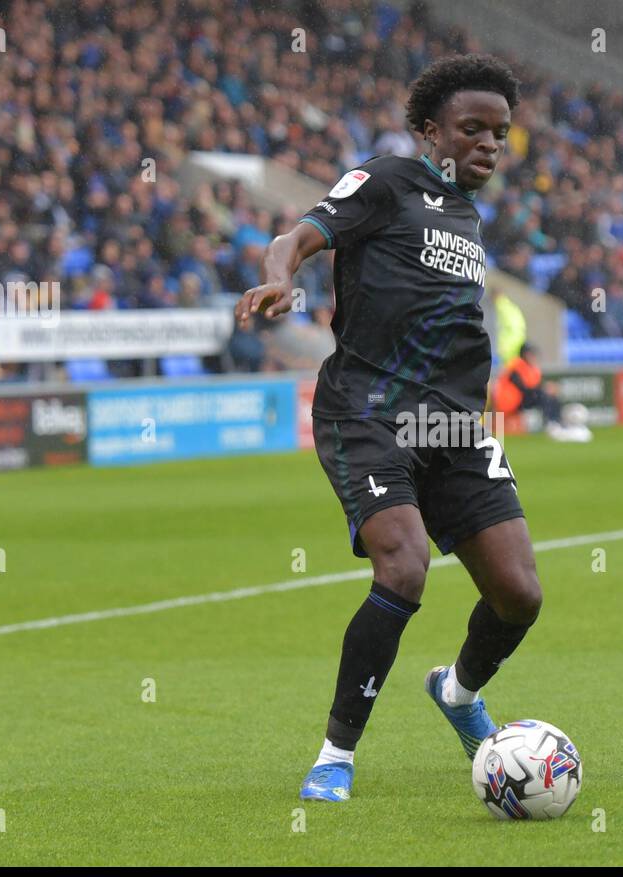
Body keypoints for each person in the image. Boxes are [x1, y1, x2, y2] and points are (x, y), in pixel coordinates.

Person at [236, 54, 542, 803]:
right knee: (403, 566)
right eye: (472, 129)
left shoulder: (466, 214)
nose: (489, 145)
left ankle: (460, 694)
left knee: (519, 595)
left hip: (455, 426)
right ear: (429, 128)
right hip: (369, 410)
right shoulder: (386, 181)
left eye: (499, 134)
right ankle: (335, 755)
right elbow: (298, 236)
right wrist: (283, 276)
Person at [493, 342, 591, 442]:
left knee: (550, 396)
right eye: (531, 353)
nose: (534, 356)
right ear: (524, 354)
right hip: (510, 402)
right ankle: (551, 425)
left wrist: (547, 388)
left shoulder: (531, 368)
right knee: (544, 396)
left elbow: (534, 386)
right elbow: (523, 387)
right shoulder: (516, 366)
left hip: (521, 399)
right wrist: (544, 389)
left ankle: (557, 423)